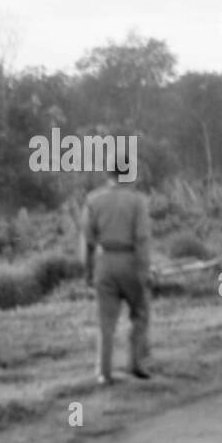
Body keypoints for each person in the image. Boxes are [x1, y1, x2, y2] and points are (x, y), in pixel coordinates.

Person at [81, 164, 151, 385]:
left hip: (104, 261)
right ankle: (136, 364)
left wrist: (88, 271)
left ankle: (104, 372)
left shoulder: (93, 200)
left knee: (106, 321)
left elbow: (88, 240)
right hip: (129, 259)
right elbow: (141, 238)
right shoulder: (137, 201)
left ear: (107, 174)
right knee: (140, 313)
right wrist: (144, 269)